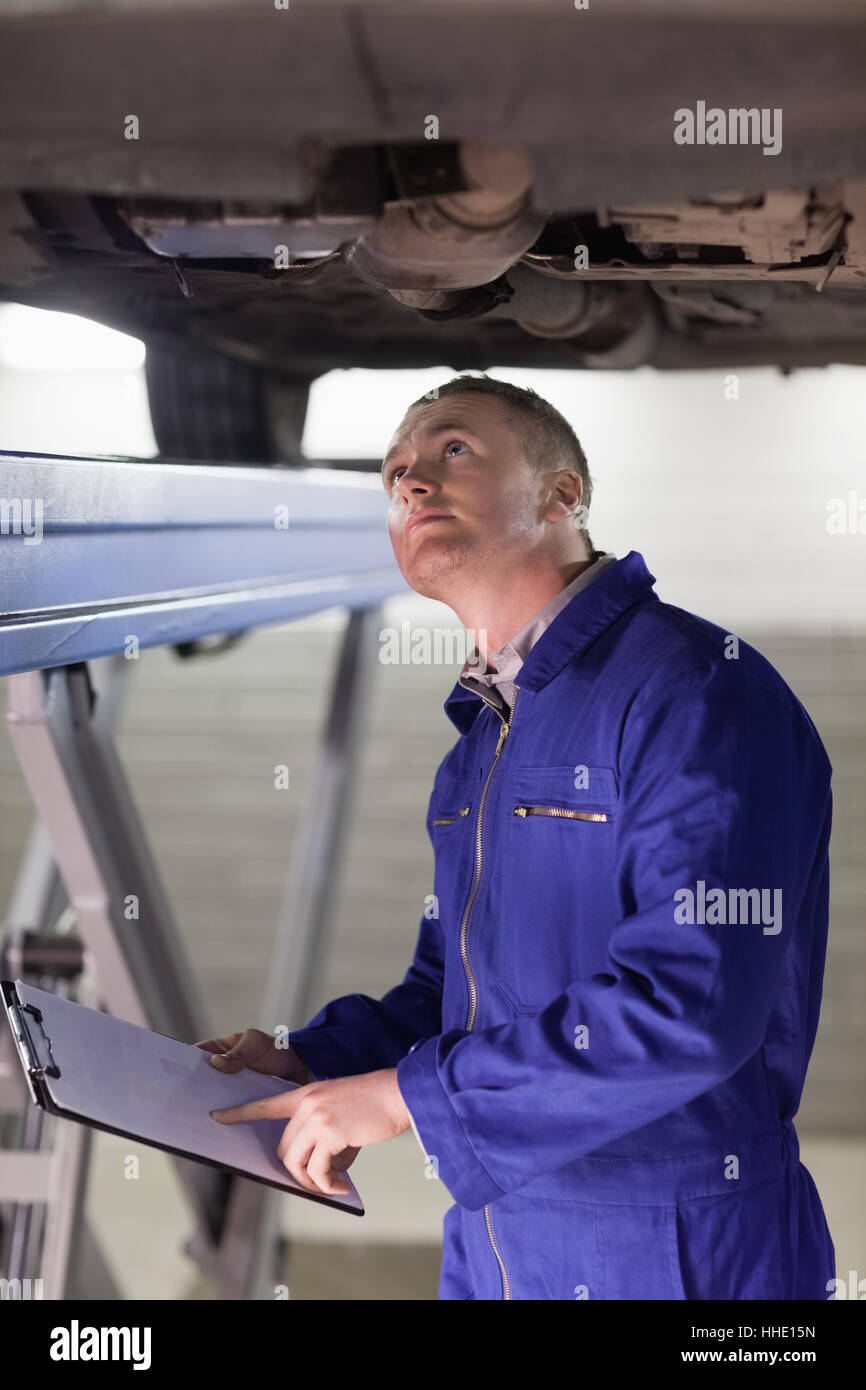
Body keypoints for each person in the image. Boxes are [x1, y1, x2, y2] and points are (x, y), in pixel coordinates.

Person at [198, 375, 836, 1300]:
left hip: (684, 1258)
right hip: (501, 1250)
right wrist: (318, 1059)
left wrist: (404, 1100)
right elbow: (452, 992)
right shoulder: (487, 735)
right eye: (397, 471)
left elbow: (690, 1009)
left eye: (453, 450)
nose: (413, 481)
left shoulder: (695, 691)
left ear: (562, 495)